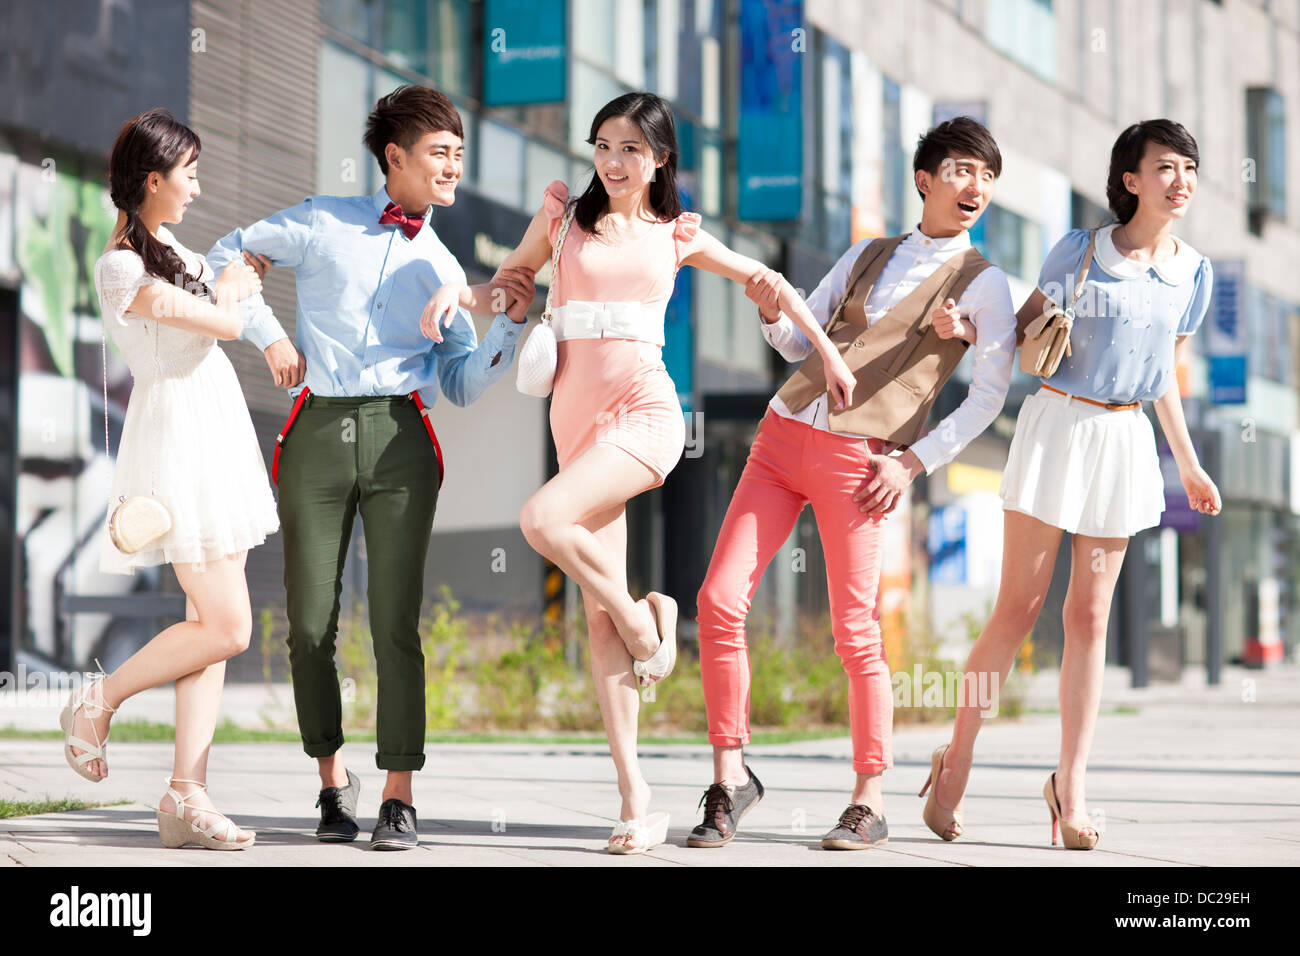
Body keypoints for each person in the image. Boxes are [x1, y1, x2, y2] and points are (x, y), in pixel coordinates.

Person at [420, 91, 857, 854]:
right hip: (571, 415)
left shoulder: (677, 233)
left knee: (541, 520)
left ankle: (646, 623)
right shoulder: (562, 218)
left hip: (646, 412)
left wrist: (827, 351)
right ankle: (635, 797)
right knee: (595, 614)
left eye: (630, 149)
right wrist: (457, 294)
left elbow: (767, 280)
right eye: (603, 146)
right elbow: (510, 281)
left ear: (659, 159)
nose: (613, 162)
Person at [206, 85, 535, 851]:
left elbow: (458, 383)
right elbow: (228, 251)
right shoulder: (323, 220)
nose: (454, 167)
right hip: (315, 431)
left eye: (459, 154)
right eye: (440, 154)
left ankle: (398, 796)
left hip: (401, 440)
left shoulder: (445, 263)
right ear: (395, 157)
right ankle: (330, 785)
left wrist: (507, 328)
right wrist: (270, 337)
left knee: (395, 622)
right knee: (309, 627)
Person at [688, 117, 1017, 850]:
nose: (976, 187)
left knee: (854, 632)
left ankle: (869, 798)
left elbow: (990, 396)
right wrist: (775, 313)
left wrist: (912, 462)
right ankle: (728, 778)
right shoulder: (867, 253)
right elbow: (804, 339)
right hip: (780, 437)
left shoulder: (985, 285)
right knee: (717, 601)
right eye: (962, 169)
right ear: (925, 180)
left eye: (988, 176)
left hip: (863, 461)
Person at [923, 119, 1220, 849]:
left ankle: (1071, 786)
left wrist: (1186, 462)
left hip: (1124, 440)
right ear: (1130, 179)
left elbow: (1165, 379)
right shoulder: (1080, 251)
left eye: (1189, 168)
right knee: (1018, 611)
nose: (1179, 181)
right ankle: (954, 759)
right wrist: (966, 330)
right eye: (1165, 168)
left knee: (1089, 619)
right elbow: (1026, 332)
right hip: (1058, 424)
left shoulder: (1194, 272)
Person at [64, 107, 275, 850]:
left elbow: (224, 312)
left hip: (216, 435)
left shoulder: (174, 249)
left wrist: (234, 285)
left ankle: (187, 795)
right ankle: (99, 697)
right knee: (229, 625)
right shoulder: (121, 264)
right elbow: (219, 326)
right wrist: (232, 287)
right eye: (187, 173)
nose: (195, 186)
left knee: (210, 632)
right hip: (176, 440)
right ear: (151, 180)